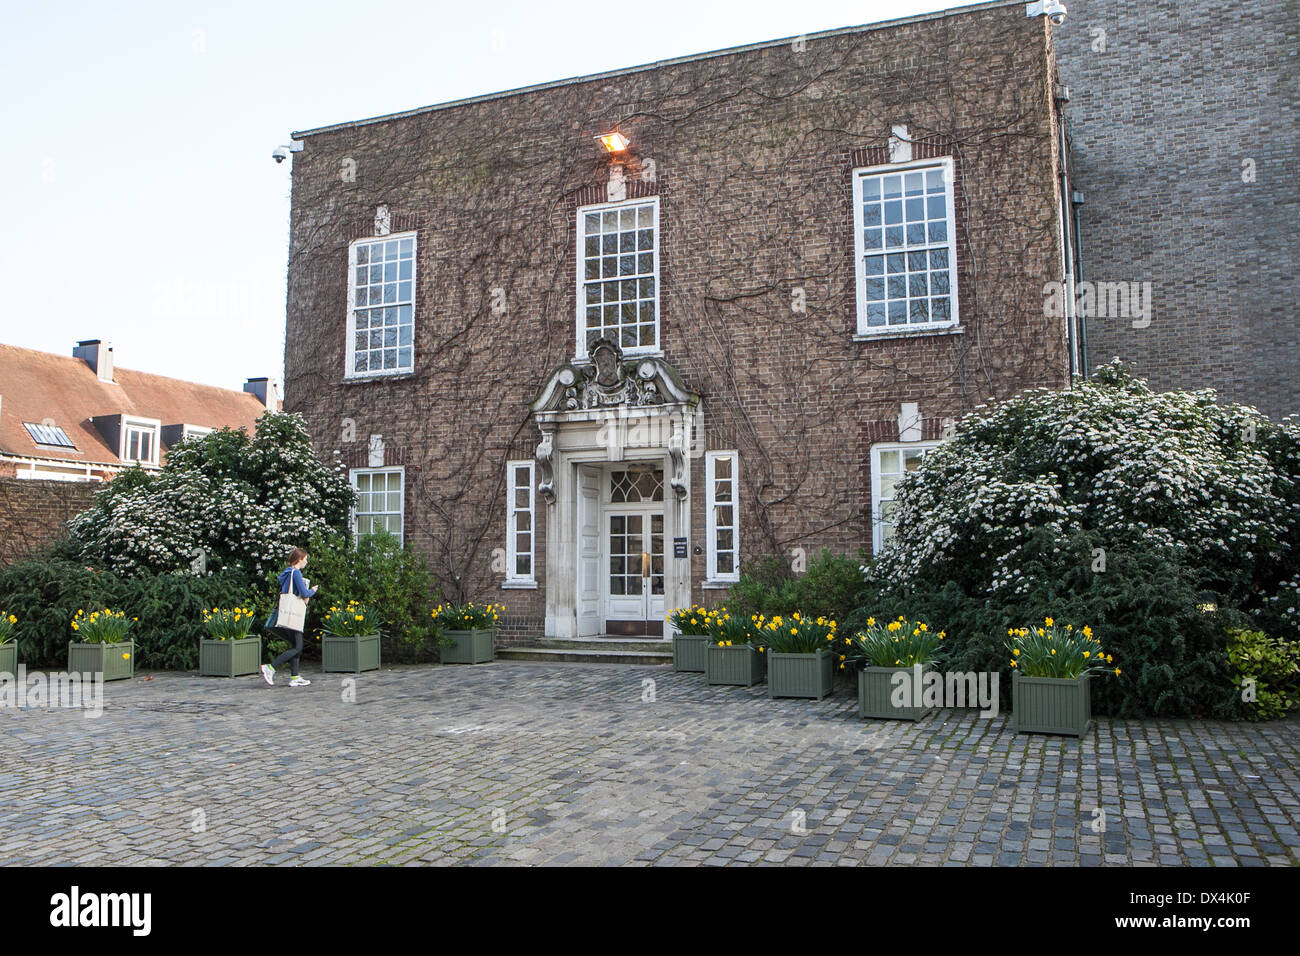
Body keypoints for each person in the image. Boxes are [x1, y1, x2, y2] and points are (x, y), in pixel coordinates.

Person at [262, 547, 316, 687]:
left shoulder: (286, 573)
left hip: (286, 612)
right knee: (297, 647)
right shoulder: (296, 573)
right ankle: (271, 668)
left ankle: (294, 677)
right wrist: (312, 591)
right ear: (299, 559)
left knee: (295, 645)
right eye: (305, 559)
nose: (306, 562)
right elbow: (304, 593)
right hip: (294, 614)